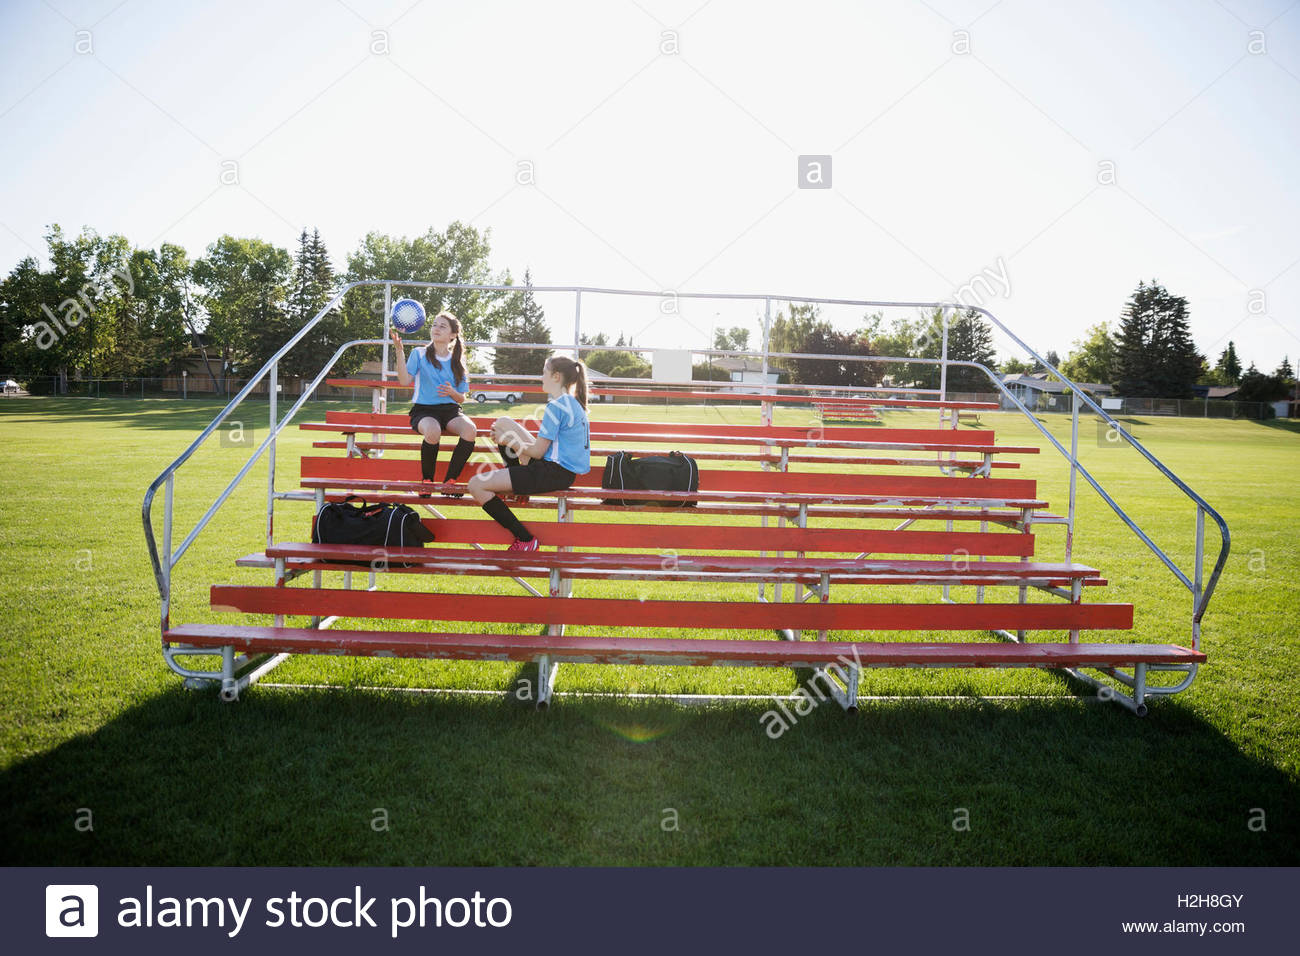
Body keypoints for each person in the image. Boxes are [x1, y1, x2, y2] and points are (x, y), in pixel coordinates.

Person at [468, 355, 591, 551]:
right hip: (557, 470)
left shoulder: (556, 406)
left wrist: (508, 442)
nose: (541, 377)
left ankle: (525, 538)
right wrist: (508, 438)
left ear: (556, 376)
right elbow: (542, 450)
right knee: (502, 423)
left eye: (544, 372)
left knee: (475, 486)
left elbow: (538, 451)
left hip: (552, 472)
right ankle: (520, 490)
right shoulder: (572, 403)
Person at [390, 311, 477, 495]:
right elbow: (405, 381)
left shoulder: (457, 360)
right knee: (433, 430)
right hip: (424, 411)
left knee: (470, 430)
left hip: (451, 411)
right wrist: (399, 351)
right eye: (434, 325)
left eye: (442, 326)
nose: (436, 329)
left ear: (452, 335)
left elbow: (462, 398)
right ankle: (427, 481)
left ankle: (450, 482)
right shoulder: (419, 354)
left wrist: (452, 392)